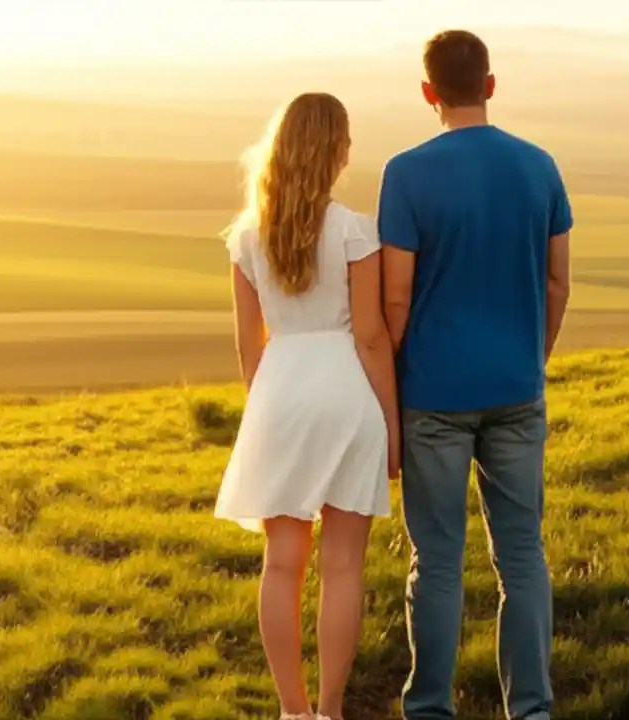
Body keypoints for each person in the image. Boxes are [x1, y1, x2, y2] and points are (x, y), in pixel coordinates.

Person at [378, 29, 573, 720]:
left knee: (436, 561)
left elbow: (395, 296)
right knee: (522, 557)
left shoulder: (404, 173)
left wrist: (393, 378)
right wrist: (532, 358)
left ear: (429, 92)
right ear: (492, 85)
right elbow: (557, 284)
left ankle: (430, 708)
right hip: (517, 387)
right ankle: (532, 710)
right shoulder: (539, 166)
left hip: (431, 393)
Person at [214, 92, 401, 720]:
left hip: (280, 391)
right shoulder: (354, 229)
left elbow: (249, 344)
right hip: (347, 391)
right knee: (343, 565)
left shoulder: (245, 238)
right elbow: (373, 336)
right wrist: (391, 426)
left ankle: (292, 713)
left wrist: (263, 412)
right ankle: (330, 710)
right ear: (337, 153)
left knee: (282, 562)